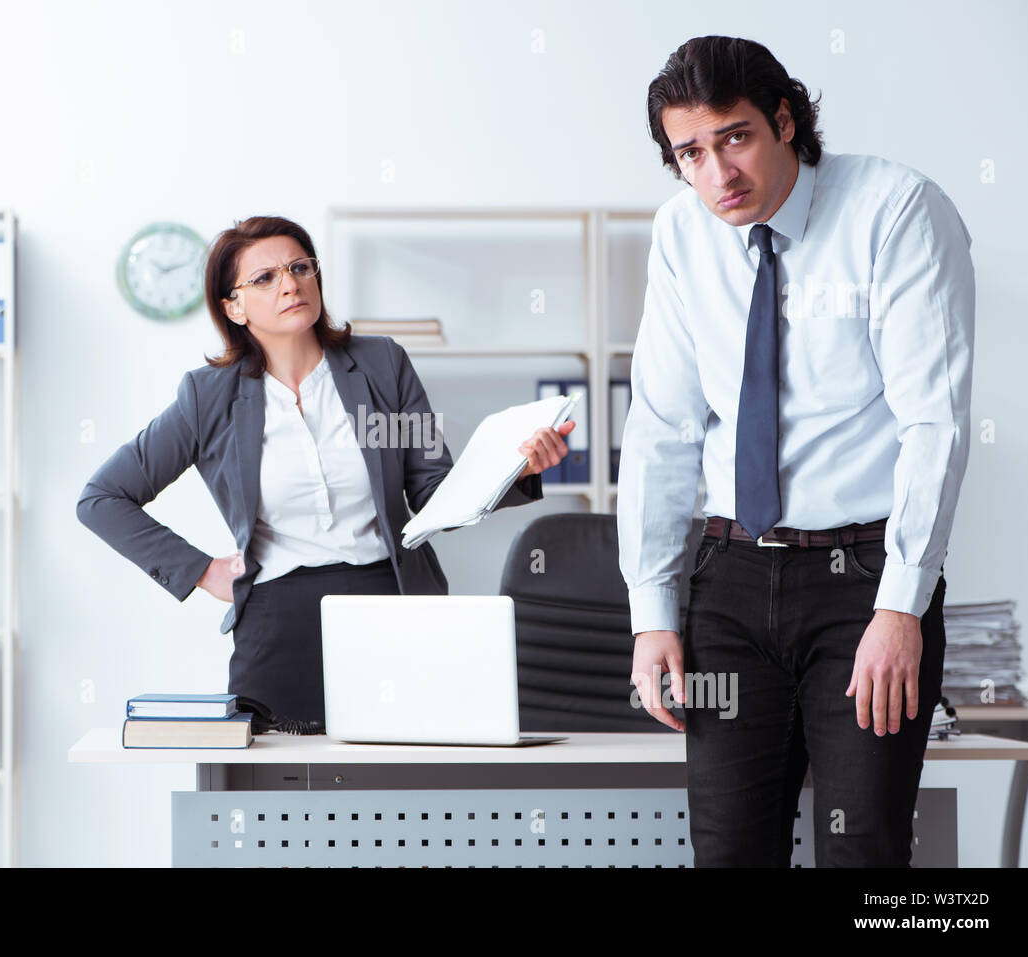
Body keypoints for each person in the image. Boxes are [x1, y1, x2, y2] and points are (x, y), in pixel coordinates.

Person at [618, 36, 974, 866]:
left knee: (866, 852)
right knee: (730, 851)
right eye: (691, 154)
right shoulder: (681, 235)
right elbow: (662, 428)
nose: (717, 175)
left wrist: (901, 605)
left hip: (862, 586)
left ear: (785, 120)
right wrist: (652, 613)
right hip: (728, 580)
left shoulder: (895, 211)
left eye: (734, 137)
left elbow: (936, 422)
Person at [78, 215, 574, 724]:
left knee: (404, 790)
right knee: (278, 792)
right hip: (277, 622)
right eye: (265, 278)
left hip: (394, 605)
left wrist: (514, 471)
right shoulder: (210, 397)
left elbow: (431, 491)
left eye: (300, 267)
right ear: (234, 306)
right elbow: (103, 498)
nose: (290, 283)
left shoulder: (382, 366)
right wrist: (203, 571)